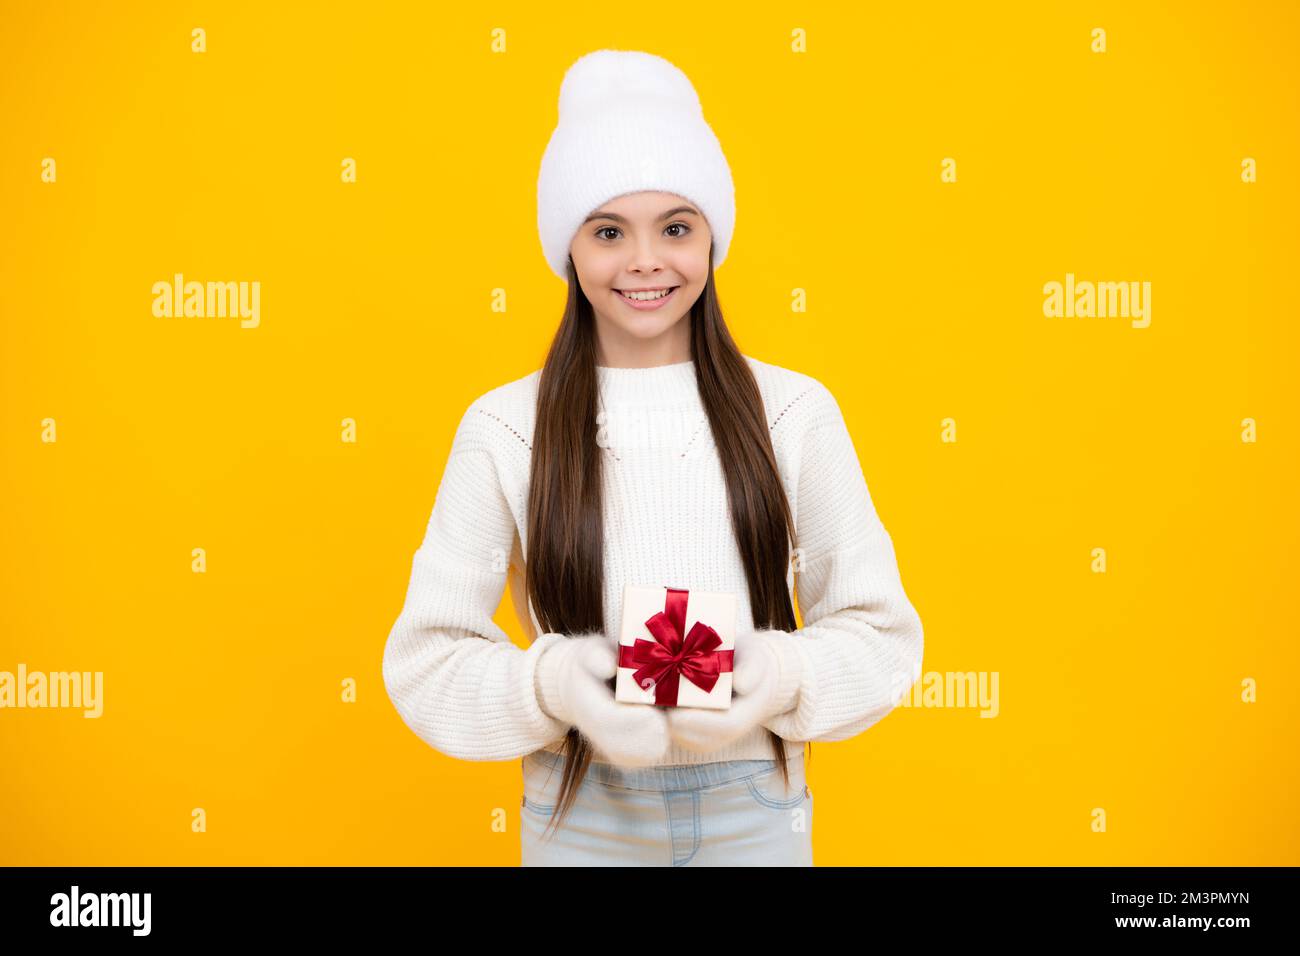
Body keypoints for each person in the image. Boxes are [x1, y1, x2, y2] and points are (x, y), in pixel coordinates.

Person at [381, 48, 924, 866]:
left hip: (758, 813)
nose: (644, 261)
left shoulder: (795, 414)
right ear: (569, 248)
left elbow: (882, 635)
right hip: (577, 813)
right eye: (608, 231)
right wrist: (552, 684)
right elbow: (426, 661)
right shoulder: (505, 428)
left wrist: (773, 676)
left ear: (713, 237)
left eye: (676, 227)